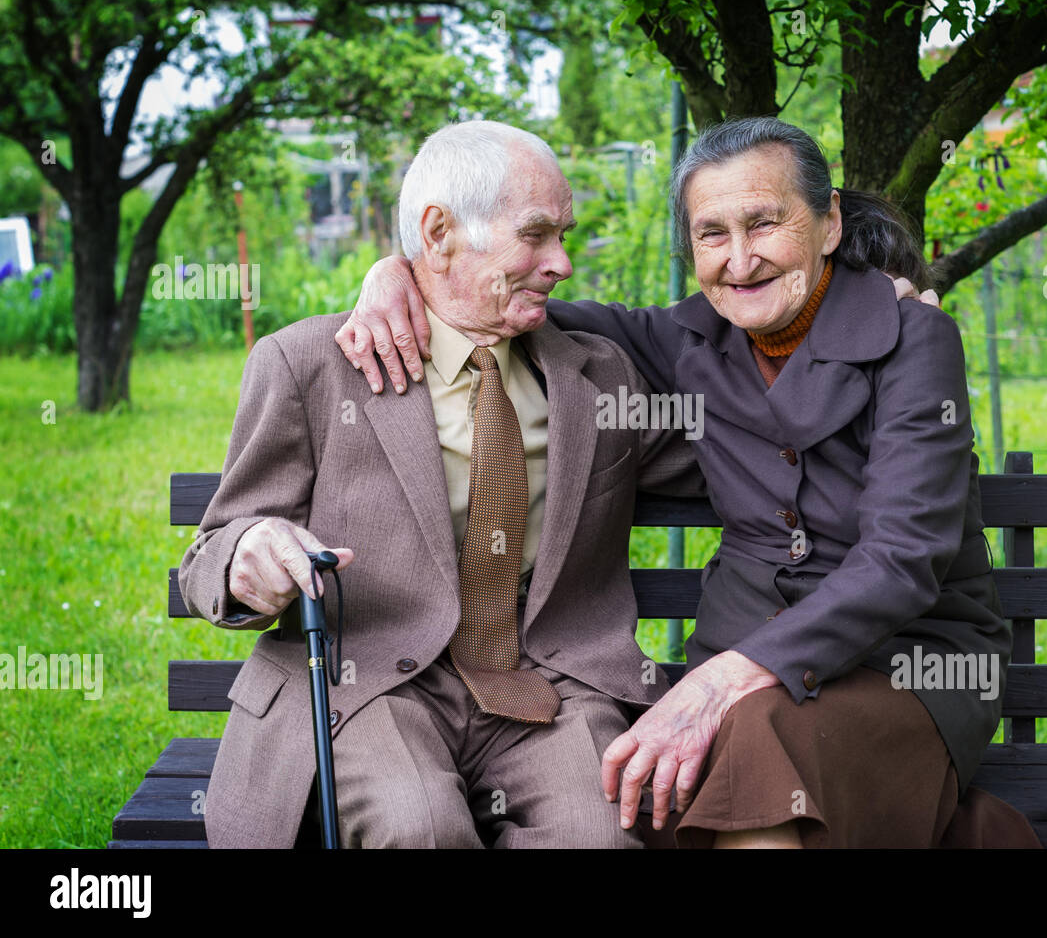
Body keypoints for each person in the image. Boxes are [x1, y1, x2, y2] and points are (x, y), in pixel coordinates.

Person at [336, 116, 1041, 849]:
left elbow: (903, 560)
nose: (740, 261)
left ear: (828, 222)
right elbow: (498, 298)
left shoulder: (913, 338)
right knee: (657, 792)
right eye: (711, 234)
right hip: (738, 676)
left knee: (751, 746)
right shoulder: (687, 339)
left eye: (764, 223)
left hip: (906, 664)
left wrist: (718, 683)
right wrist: (395, 273)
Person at [178, 120, 706, 848]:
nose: (562, 262)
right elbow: (216, 544)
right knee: (416, 825)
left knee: (602, 837)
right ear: (438, 232)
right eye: (536, 234)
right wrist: (250, 554)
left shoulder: (598, 375)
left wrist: (863, 322)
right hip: (368, 685)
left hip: (544, 683)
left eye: (565, 234)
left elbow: (735, 440)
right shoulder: (310, 365)